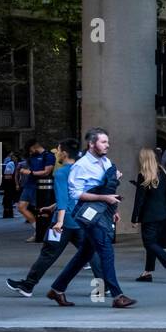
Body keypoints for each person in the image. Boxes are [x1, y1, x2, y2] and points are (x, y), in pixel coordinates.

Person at [47, 128, 136, 309]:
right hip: (87, 214)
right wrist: (105, 199)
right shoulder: (81, 166)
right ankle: (118, 295)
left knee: (85, 254)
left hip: (103, 211)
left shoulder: (106, 162)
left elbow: (108, 189)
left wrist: (113, 208)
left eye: (107, 142)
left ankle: (57, 289)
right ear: (92, 144)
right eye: (103, 142)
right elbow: (76, 194)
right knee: (106, 251)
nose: (107, 145)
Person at [6, 139, 91, 297]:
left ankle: (28, 285)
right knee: (89, 252)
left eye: (58, 150)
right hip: (79, 220)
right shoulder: (82, 171)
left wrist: (58, 220)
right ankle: (106, 285)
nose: (56, 153)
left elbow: (64, 199)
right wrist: (52, 206)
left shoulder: (61, 173)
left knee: (48, 253)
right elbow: (76, 196)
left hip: (63, 221)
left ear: (64, 154)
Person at [132, 147, 166, 283]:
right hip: (163, 213)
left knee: (149, 243)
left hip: (150, 215)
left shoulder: (143, 175)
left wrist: (134, 218)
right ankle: (147, 273)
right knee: (152, 242)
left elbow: (139, 199)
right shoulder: (163, 172)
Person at [17, 140, 56, 237]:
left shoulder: (48, 156)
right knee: (21, 207)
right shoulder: (32, 156)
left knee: (41, 210)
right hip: (29, 184)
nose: (30, 152)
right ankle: (37, 229)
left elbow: (46, 172)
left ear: (34, 147)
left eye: (30, 150)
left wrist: (29, 172)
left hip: (42, 186)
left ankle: (43, 232)